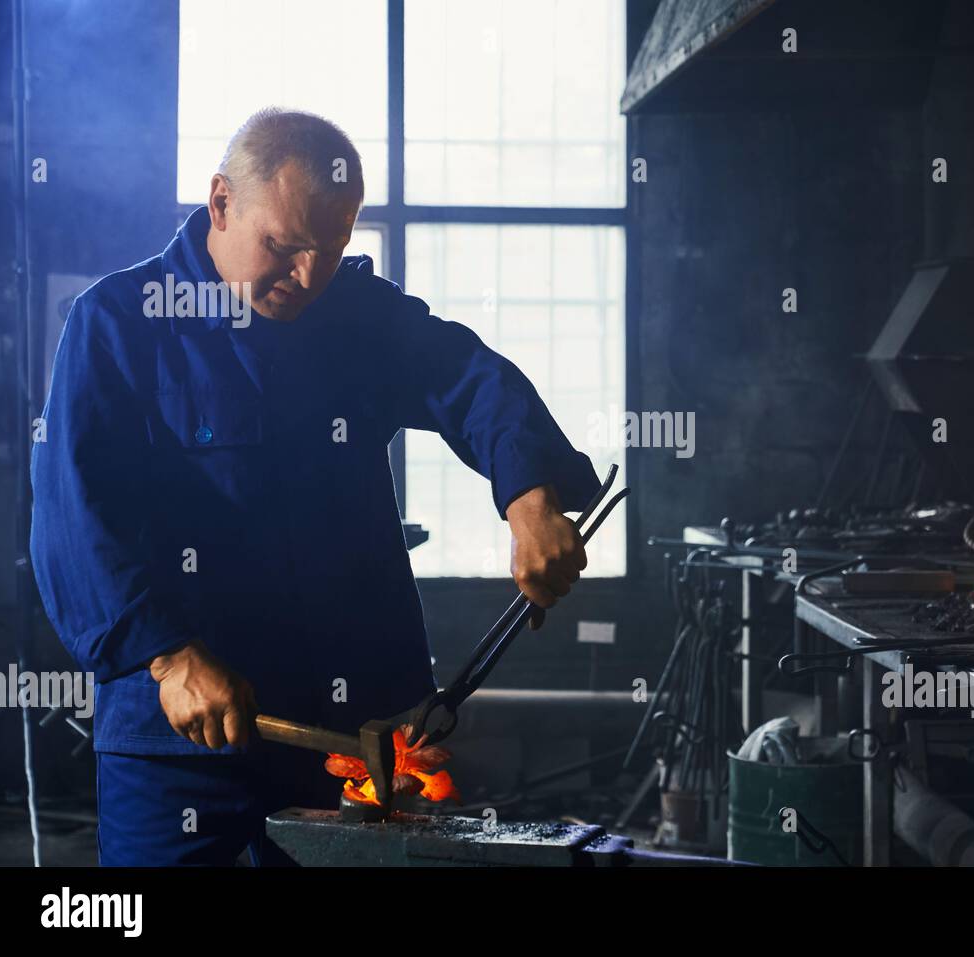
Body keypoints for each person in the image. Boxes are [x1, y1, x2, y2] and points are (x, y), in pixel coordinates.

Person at [30, 108, 600, 865]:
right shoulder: (119, 325)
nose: (305, 275)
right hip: (179, 748)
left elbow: (467, 378)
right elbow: (74, 516)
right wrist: (165, 657)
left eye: (329, 251)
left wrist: (529, 495)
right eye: (283, 246)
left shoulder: (352, 315)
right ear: (221, 201)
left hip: (356, 740)